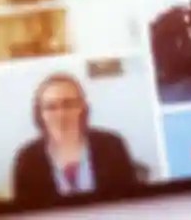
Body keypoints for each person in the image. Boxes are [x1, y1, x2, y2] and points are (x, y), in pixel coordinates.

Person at [11, 73, 139, 203]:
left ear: (82, 107)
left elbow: (131, 201)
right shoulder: (27, 159)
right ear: (40, 114)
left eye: (68, 104)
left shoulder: (112, 146)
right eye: (51, 107)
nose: (61, 114)